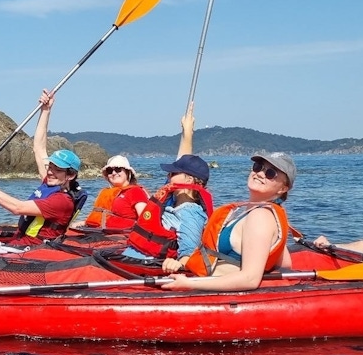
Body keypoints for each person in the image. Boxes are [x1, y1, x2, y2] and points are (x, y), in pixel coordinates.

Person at [164, 152, 297, 291]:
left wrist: (189, 284)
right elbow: (285, 263)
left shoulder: (260, 216)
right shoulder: (256, 212)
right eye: (258, 167)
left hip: (213, 292)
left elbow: (250, 279)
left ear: (283, 188)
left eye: (270, 173)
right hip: (206, 281)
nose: (260, 174)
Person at [0, 90, 84, 248]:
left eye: (57, 169)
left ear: (70, 175)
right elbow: (39, 147)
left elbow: (18, 208)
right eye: (50, 166)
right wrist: (46, 110)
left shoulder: (62, 201)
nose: (50, 171)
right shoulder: (51, 182)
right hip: (21, 241)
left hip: (35, 248)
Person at [120, 103, 214, 273]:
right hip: (130, 259)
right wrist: (187, 132)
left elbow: (189, 251)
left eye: (173, 173)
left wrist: (179, 264)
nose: (169, 176)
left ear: (189, 180)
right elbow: (183, 160)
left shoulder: (191, 213)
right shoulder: (172, 198)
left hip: (145, 267)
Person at [72, 155, 148, 230]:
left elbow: (146, 221)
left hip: (123, 234)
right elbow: (101, 217)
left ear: (128, 172)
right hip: (99, 231)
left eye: (118, 169)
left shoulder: (136, 191)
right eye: (110, 171)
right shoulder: (107, 192)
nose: (114, 173)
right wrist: (83, 223)